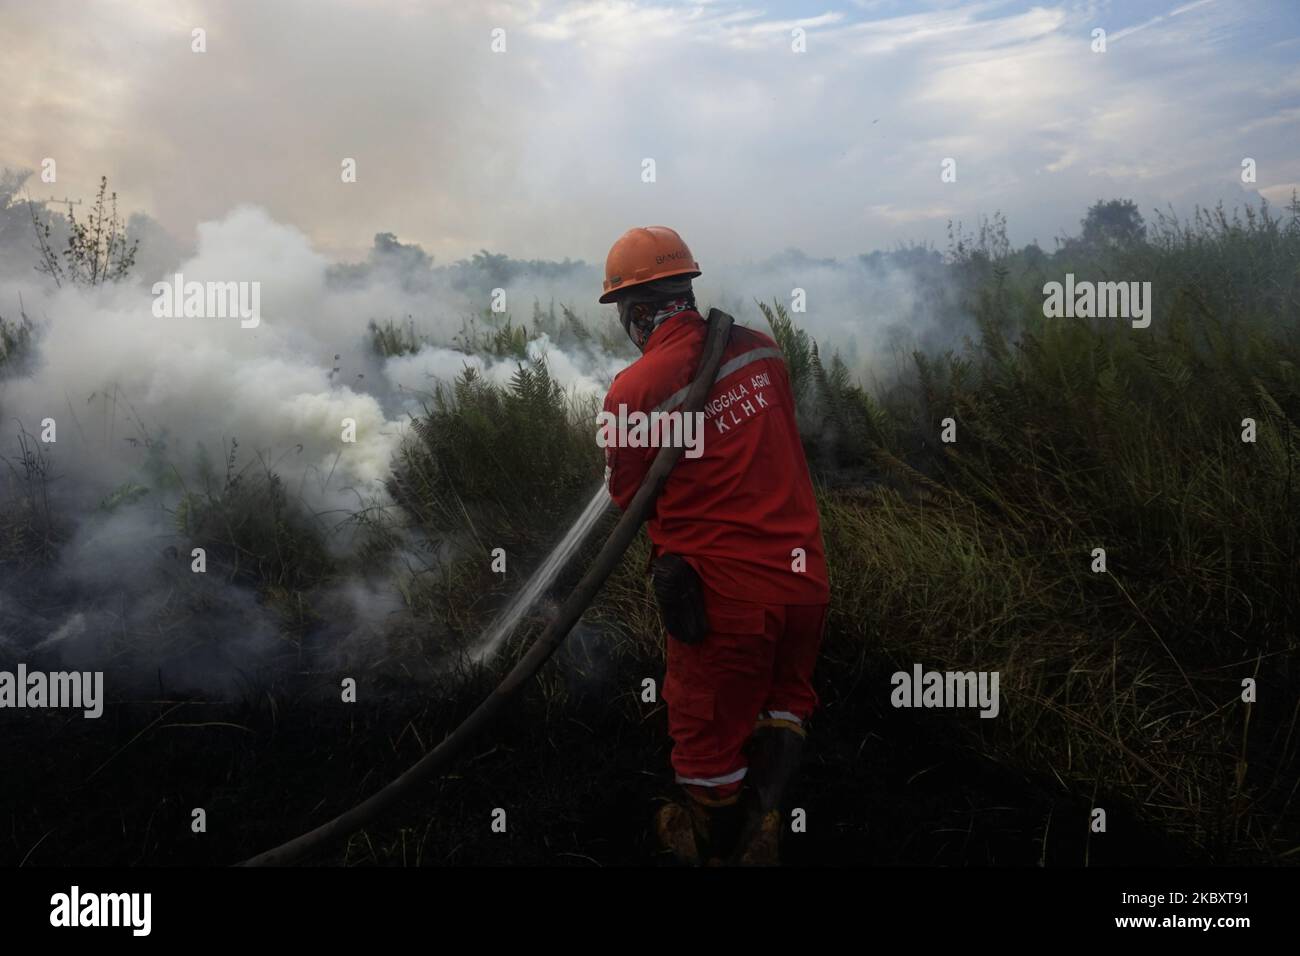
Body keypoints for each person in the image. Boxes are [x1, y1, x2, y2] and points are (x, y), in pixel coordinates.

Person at [598, 225, 831, 865]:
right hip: (803, 581)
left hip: (725, 601)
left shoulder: (635, 390)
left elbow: (626, 499)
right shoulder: (764, 352)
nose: (628, 323)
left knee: (704, 734)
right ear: (687, 287)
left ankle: (715, 843)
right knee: (785, 704)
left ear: (639, 311)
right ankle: (766, 823)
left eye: (625, 312)